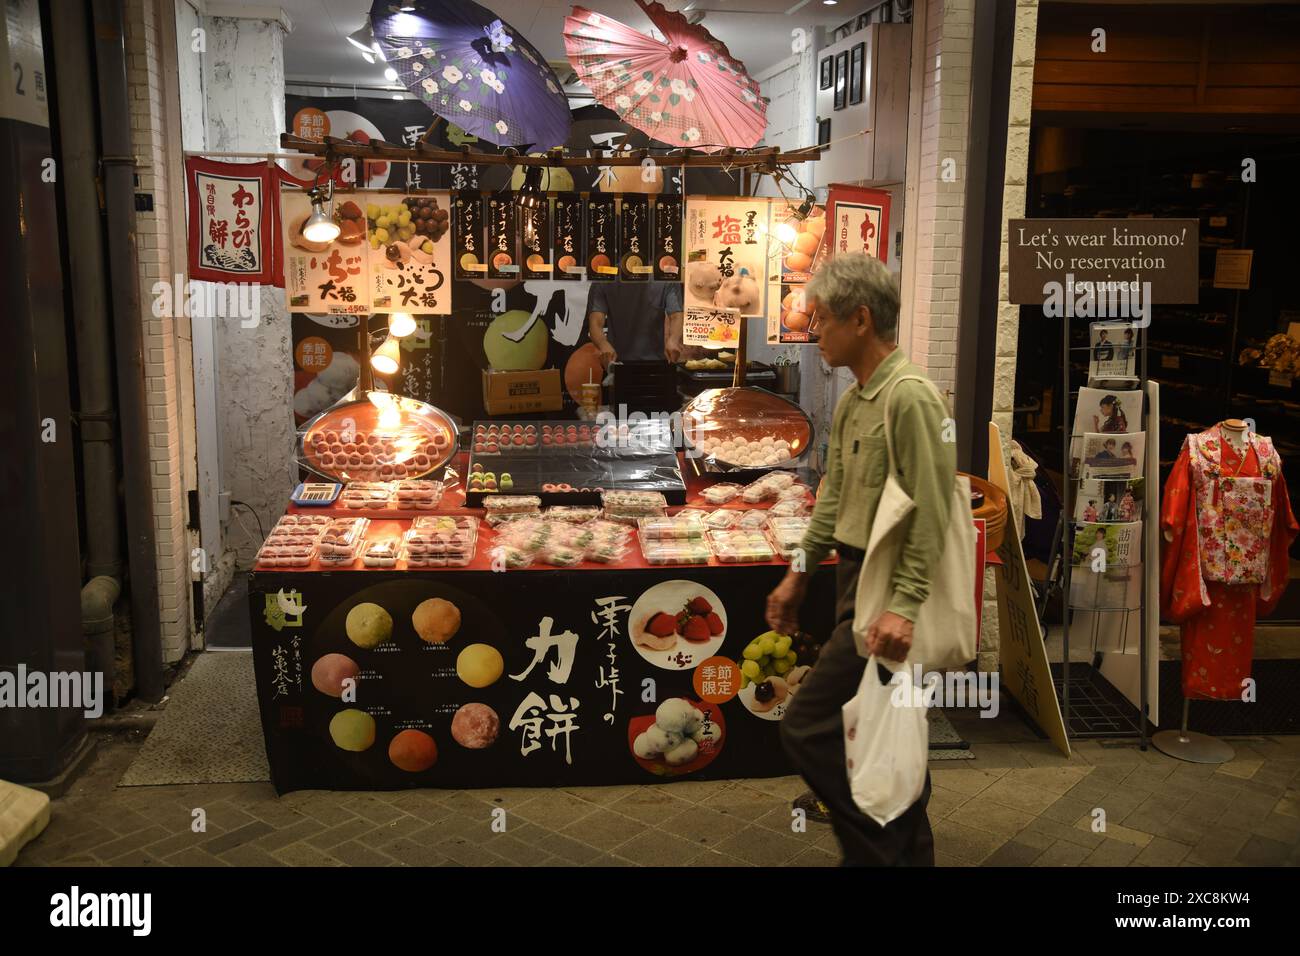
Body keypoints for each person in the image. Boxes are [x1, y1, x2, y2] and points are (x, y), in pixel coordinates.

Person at [766, 253, 955, 867]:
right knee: (884, 729)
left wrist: (902, 608)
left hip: (887, 590)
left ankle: (876, 852)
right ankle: (905, 853)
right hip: (852, 580)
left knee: (807, 729)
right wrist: (798, 574)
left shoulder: (912, 399)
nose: (812, 332)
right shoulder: (854, 401)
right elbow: (831, 505)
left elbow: (931, 512)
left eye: (821, 321)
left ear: (862, 320)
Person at [585, 280, 686, 367]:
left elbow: (676, 315)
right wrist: (603, 345)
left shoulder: (662, 275)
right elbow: (595, 322)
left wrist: (674, 339)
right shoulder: (606, 278)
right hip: (616, 362)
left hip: (656, 361)